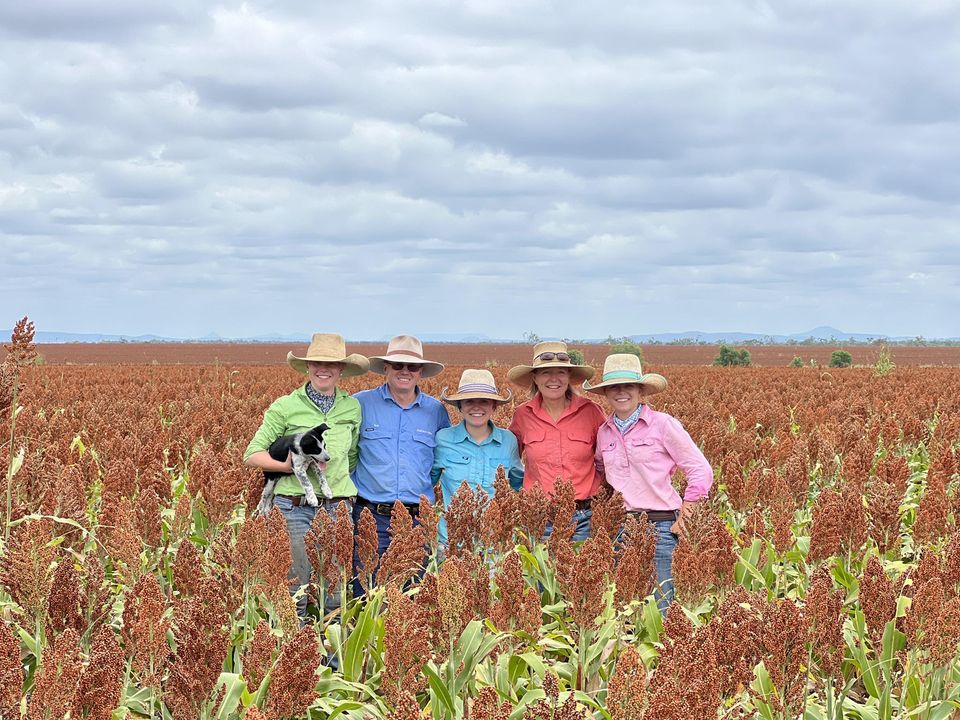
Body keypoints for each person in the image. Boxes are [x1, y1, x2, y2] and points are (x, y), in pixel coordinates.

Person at [244, 333, 369, 619]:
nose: (323, 368)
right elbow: (252, 454)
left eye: (331, 364)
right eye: (316, 363)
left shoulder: (352, 408)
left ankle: (335, 660)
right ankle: (294, 659)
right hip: (293, 508)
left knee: (336, 594)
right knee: (294, 592)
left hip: (337, 506)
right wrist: (288, 467)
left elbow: (351, 458)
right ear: (308, 367)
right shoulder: (285, 406)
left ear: (341, 370)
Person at [584, 353, 713, 614]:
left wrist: (687, 514)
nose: (621, 392)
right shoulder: (604, 431)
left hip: (661, 525)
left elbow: (700, 469)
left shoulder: (663, 424)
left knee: (661, 607)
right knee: (625, 605)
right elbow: (600, 471)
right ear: (606, 392)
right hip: (620, 527)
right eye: (614, 387)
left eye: (628, 386)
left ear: (640, 390)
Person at [351, 335, 450, 583]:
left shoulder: (435, 410)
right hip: (371, 518)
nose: (405, 371)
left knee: (412, 601)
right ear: (386, 368)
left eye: (412, 366)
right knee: (367, 597)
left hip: (417, 520)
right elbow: (343, 453)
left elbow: (442, 461)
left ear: (420, 372)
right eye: (398, 365)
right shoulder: (361, 404)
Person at [507, 341, 605, 541]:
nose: (554, 379)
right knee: (541, 572)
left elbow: (608, 458)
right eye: (545, 372)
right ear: (534, 377)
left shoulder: (590, 412)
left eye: (561, 372)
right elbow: (508, 459)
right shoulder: (522, 415)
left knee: (581, 572)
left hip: (584, 518)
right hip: (539, 517)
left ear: (569, 376)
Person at [432, 369, 524, 554]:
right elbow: (428, 483)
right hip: (452, 543)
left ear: (494, 406)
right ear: (460, 406)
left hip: (495, 544)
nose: (476, 407)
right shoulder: (442, 439)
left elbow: (517, 484)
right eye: (469, 401)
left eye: (484, 401)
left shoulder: (508, 441)